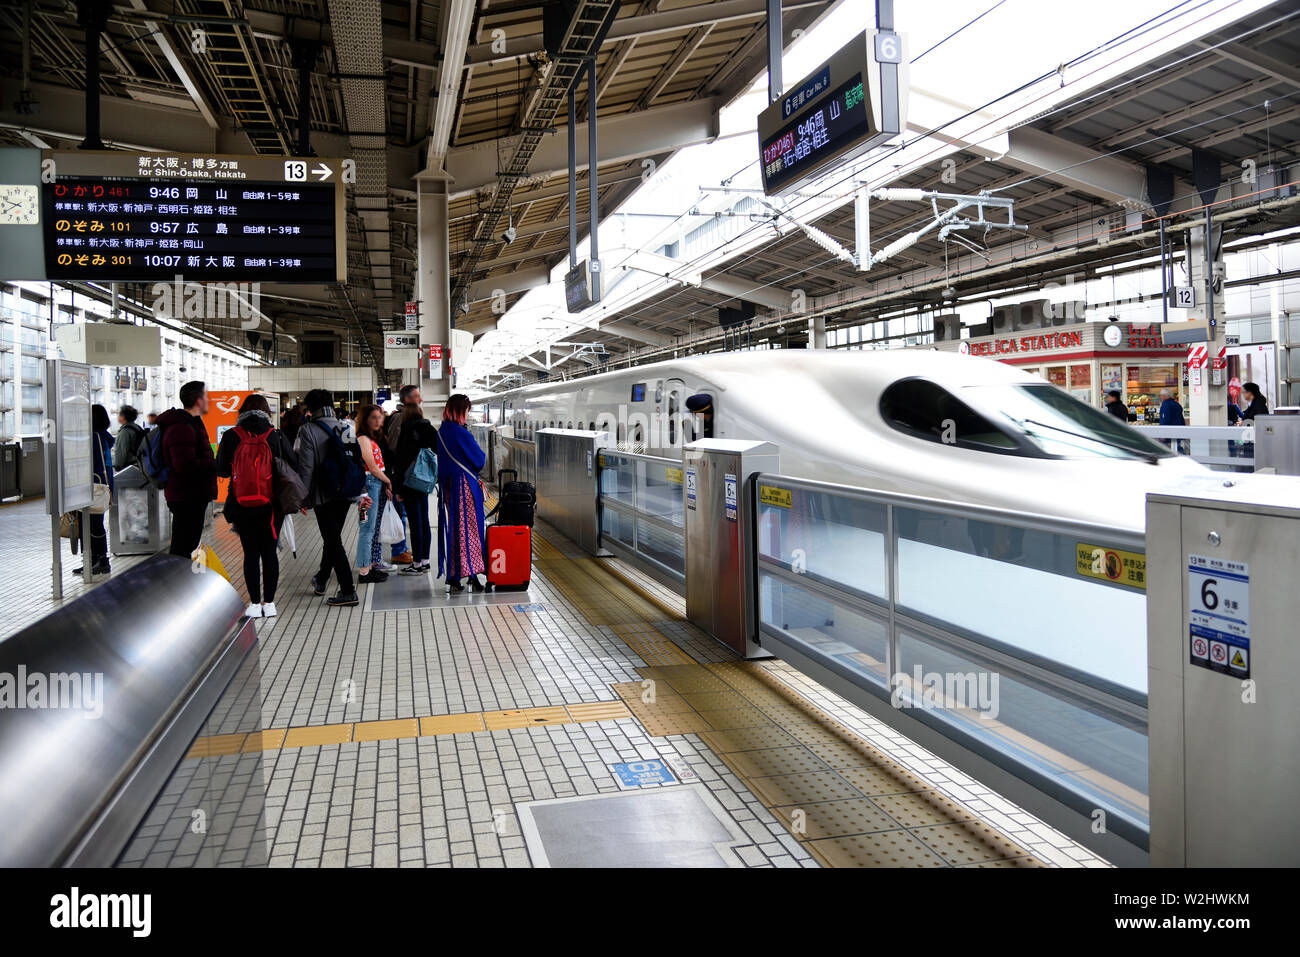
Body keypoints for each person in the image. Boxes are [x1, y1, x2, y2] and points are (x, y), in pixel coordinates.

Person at [216, 393, 297, 618]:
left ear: (241, 412)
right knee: (269, 551)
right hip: (271, 505)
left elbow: (221, 469)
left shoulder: (232, 435)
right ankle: (269, 603)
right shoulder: (276, 435)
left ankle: (253, 604)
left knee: (250, 552)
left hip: (241, 504)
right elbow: (293, 465)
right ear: (267, 412)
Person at [295, 388, 359, 607]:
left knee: (333, 541)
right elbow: (356, 461)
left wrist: (302, 498)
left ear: (310, 408)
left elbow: (306, 469)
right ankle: (321, 580)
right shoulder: (345, 426)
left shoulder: (308, 430)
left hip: (324, 495)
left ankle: (348, 591)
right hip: (346, 492)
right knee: (332, 539)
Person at [157, 381, 217, 559]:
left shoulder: (190, 424)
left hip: (190, 494)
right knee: (183, 547)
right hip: (187, 496)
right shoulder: (182, 427)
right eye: (206, 396)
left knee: (187, 544)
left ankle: (179, 581)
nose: (208, 401)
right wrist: (212, 464)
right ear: (198, 400)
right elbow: (184, 465)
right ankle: (175, 583)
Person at [435, 394, 488, 593]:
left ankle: (455, 576)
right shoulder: (461, 433)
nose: (468, 413)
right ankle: (473, 576)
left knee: (456, 530)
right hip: (465, 487)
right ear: (461, 411)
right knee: (471, 531)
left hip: (449, 489)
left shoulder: (441, 432)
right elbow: (479, 460)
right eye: (466, 410)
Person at [391, 402, 439, 575]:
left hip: (410, 483)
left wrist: (398, 490)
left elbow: (401, 462)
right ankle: (425, 561)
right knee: (424, 521)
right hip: (424, 481)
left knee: (415, 523)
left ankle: (417, 563)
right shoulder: (428, 428)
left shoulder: (407, 430)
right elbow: (438, 448)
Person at [382, 384, 422, 566]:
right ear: (407, 400)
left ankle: (402, 548)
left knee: (403, 512)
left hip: (402, 473)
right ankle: (398, 551)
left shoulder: (402, 418)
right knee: (401, 513)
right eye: (416, 396)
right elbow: (394, 447)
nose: (420, 400)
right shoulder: (400, 419)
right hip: (399, 474)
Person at [354, 404, 393, 585]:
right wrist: (387, 480)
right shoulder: (362, 439)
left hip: (374, 485)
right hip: (370, 486)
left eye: (379, 417)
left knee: (370, 529)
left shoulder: (371, 438)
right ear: (365, 420)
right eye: (373, 417)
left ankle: (368, 567)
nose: (378, 421)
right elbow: (373, 467)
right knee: (366, 529)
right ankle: (364, 572)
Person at [77, 404, 114, 579]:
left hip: (92, 485)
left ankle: (100, 560)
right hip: (101, 485)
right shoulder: (103, 437)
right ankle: (93, 560)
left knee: (93, 524)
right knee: (92, 523)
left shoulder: (93, 437)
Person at [112, 405, 146, 470]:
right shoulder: (137, 428)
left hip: (128, 467)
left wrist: (117, 467)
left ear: (123, 417)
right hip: (139, 464)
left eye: (119, 414)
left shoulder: (124, 432)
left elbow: (121, 452)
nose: (117, 416)